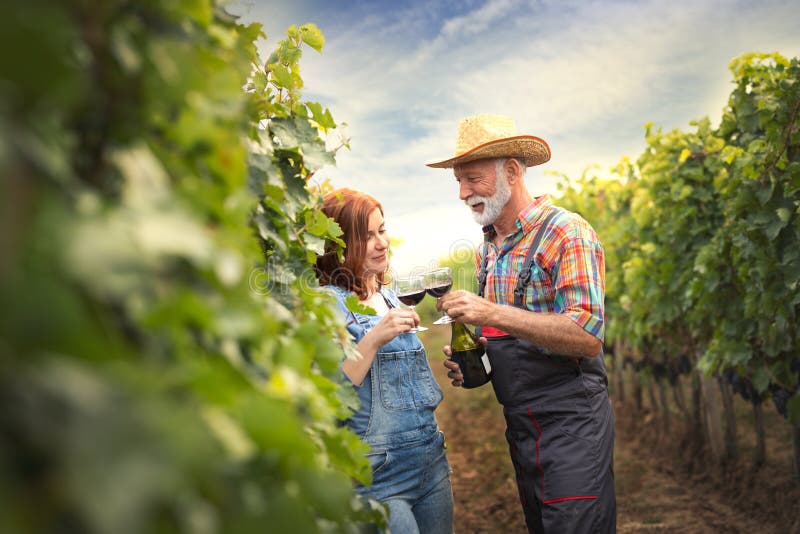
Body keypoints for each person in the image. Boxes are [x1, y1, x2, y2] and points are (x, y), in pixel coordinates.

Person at [427, 115, 615, 533]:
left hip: (572, 424)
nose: (462, 193)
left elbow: (586, 336)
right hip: (521, 425)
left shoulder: (566, 233)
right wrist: (476, 358)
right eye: (458, 182)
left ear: (511, 171)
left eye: (472, 179)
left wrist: (488, 312)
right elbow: (509, 335)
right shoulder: (488, 250)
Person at [314, 188, 454, 534]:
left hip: (431, 460)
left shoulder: (391, 297)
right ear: (339, 245)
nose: (381, 243)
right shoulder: (328, 304)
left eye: (382, 230)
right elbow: (331, 393)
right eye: (366, 236)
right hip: (378, 475)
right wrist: (375, 337)